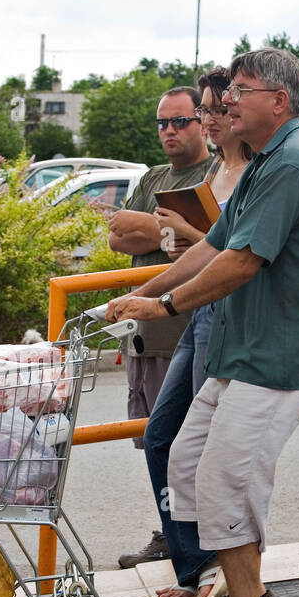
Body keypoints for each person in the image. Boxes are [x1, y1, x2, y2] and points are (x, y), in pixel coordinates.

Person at [105, 48, 299, 597]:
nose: (227, 101)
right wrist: (149, 292)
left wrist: (163, 307)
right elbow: (215, 245)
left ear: (279, 101)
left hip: (284, 357)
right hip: (245, 352)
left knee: (226, 484)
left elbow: (243, 263)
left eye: (241, 90)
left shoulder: (294, 162)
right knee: (186, 463)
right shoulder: (266, 161)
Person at [144, 66, 253, 597]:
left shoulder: (254, 170)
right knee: (163, 438)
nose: (211, 120)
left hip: (229, 320)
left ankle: (231, 580)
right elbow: (195, 249)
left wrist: (181, 252)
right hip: (200, 317)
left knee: (214, 454)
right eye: (204, 111)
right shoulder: (217, 174)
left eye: (213, 110)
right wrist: (147, 290)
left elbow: (227, 252)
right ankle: (196, 566)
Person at [109, 87, 213, 570]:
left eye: (181, 121)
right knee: (155, 442)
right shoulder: (153, 177)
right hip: (141, 334)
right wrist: (167, 226)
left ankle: (200, 543)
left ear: (202, 122)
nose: (169, 131)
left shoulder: (215, 174)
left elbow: (211, 241)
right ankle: (173, 536)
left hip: (186, 330)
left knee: (186, 445)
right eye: (162, 123)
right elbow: (115, 236)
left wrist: (152, 227)